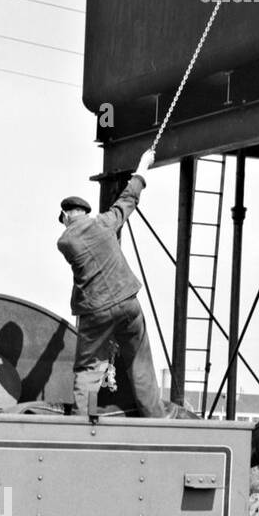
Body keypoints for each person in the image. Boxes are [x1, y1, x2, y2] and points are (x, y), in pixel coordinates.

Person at [57, 148, 166, 418]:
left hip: (96, 312)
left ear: (67, 215)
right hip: (128, 303)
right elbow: (129, 198)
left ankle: (83, 425)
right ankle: (156, 420)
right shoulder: (105, 223)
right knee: (141, 363)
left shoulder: (65, 241)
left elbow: (77, 240)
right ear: (85, 212)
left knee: (88, 368)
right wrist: (143, 165)